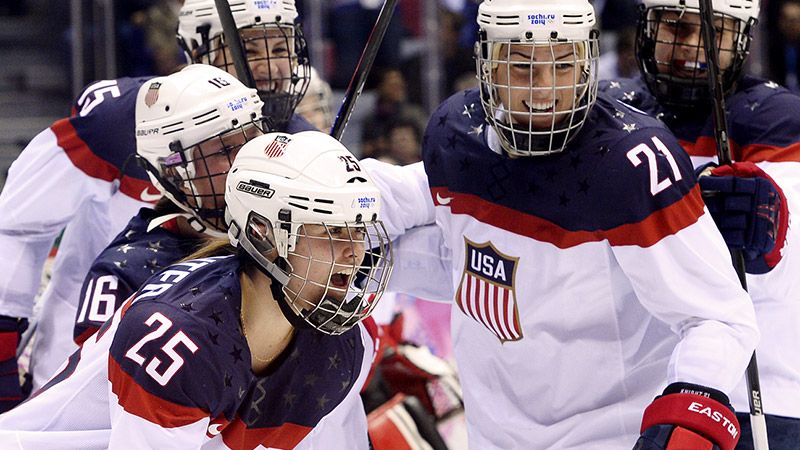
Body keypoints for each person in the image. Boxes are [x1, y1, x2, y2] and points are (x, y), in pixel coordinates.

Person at [360, 0, 760, 448]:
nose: (544, 89)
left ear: (588, 64)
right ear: (486, 64)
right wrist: (334, 212)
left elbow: (718, 316)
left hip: (611, 439)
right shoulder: (458, 137)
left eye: (564, 65)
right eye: (521, 66)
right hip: (492, 438)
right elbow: (458, 256)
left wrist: (691, 406)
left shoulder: (633, 162)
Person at [0, 0, 315, 408]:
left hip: (226, 376)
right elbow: (18, 225)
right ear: (197, 50)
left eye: (281, 48)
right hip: (88, 351)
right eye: (248, 49)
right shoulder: (121, 120)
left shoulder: (305, 147)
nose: (270, 68)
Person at [0, 128, 394, 449]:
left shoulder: (347, 343)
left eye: (360, 231)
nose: (355, 251)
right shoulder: (176, 335)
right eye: (332, 230)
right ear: (263, 232)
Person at [600, 0, 800, 447]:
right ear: (646, 28)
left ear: (742, 40)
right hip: (640, 396)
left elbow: (786, 219)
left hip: (762, 395)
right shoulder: (609, 113)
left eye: (710, 30)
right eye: (672, 25)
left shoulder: (777, 119)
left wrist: (773, 219)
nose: (688, 43)